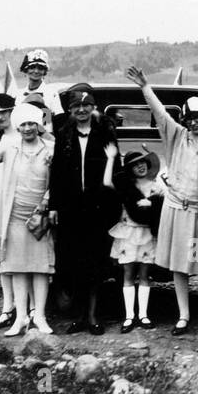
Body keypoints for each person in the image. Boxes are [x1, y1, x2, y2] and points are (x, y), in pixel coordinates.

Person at [125, 66, 198, 338]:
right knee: (179, 266)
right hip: (176, 211)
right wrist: (145, 86)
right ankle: (183, 316)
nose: (193, 122)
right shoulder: (177, 137)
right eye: (189, 118)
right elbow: (160, 113)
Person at [0, 105, 56, 336]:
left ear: (38, 125)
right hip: (13, 216)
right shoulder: (10, 147)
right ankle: (21, 318)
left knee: (40, 268)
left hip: (39, 218)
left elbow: (58, 181)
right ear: (18, 126)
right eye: (23, 124)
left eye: (31, 124)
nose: (27, 128)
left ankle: (41, 317)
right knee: (16, 268)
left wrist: (46, 201)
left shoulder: (50, 149)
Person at [50, 84, 122, 334]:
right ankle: (79, 315)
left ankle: (93, 316)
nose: (81, 110)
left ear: (93, 108)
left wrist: (114, 206)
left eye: (86, 105)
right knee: (73, 264)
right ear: (70, 109)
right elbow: (56, 173)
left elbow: (116, 169)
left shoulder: (104, 133)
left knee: (95, 263)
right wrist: (54, 206)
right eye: (76, 106)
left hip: (98, 209)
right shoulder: (63, 134)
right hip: (71, 210)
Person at [105, 147, 163, 332]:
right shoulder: (126, 187)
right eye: (135, 165)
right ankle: (129, 316)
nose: (140, 167)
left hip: (147, 234)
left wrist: (152, 202)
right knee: (128, 275)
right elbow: (107, 182)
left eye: (142, 163)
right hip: (129, 233)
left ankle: (143, 315)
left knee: (145, 275)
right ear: (130, 169)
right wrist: (110, 158)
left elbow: (169, 202)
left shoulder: (156, 186)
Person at [18, 49, 65, 116]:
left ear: (44, 72)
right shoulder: (19, 95)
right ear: (26, 70)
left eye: (40, 68)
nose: (36, 71)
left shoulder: (52, 94)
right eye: (32, 67)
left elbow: (59, 118)